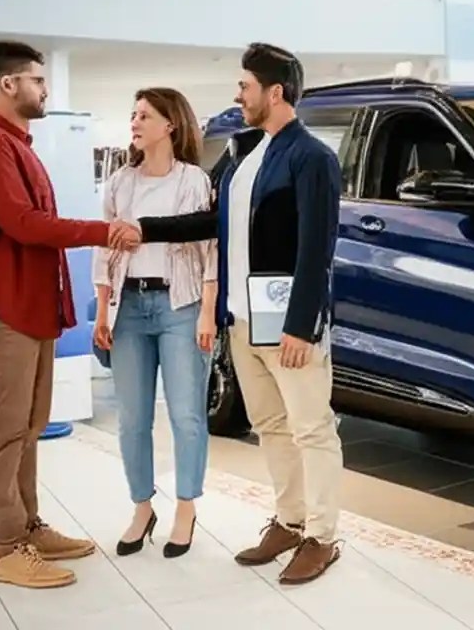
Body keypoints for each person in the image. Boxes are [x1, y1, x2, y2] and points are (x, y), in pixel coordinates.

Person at [130, 42, 345, 584]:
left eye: (245, 86)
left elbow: (316, 249)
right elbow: (213, 224)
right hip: (244, 321)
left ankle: (322, 536)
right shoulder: (247, 157)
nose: (238, 94)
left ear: (275, 92)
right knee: (271, 426)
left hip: (288, 324)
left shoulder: (312, 157)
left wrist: (301, 326)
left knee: (312, 429)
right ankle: (290, 521)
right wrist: (145, 229)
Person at [0, 40, 135, 589]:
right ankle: (7, 547)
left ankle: (27, 526)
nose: (45, 89)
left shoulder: (16, 144)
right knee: (3, 430)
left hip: (28, 307)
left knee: (27, 428)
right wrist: (104, 231)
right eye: (37, 79)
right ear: (8, 84)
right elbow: (24, 224)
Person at [92, 88, 217, 558]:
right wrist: (102, 310)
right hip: (128, 308)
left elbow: (209, 251)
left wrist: (207, 312)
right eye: (133, 115)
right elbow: (103, 250)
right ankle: (142, 507)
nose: (135, 122)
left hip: (180, 306)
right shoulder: (119, 183)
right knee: (131, 419)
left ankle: (186, 508)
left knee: (186, 415)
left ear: (170, 125)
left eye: (145, 115)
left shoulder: (194, 181)